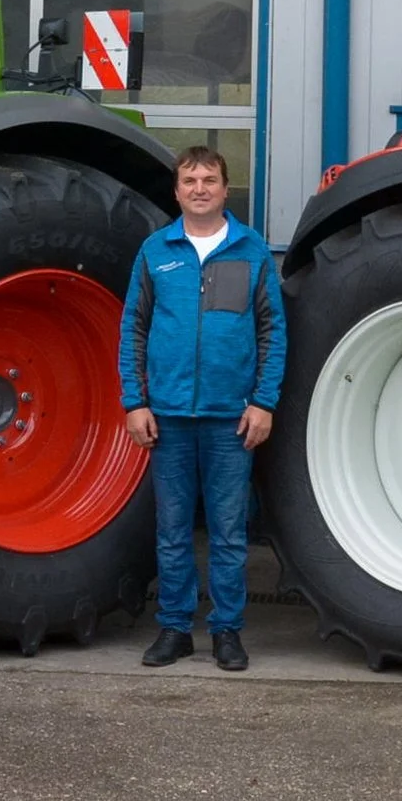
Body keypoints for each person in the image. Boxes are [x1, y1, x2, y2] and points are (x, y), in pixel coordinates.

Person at [118, 146, 285, 672]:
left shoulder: (251, 251)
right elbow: (133, 330)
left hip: (229, 418)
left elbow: (272, 331)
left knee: (229, 532)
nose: (199, 189)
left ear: (224, 187)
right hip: (166, 415)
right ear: (176, 191)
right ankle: (174, 629)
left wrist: (263, 402)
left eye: (209, 179)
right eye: (189, 180)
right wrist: (134, 401)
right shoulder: (155, 252)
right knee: (172, 530)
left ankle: (227, 632)